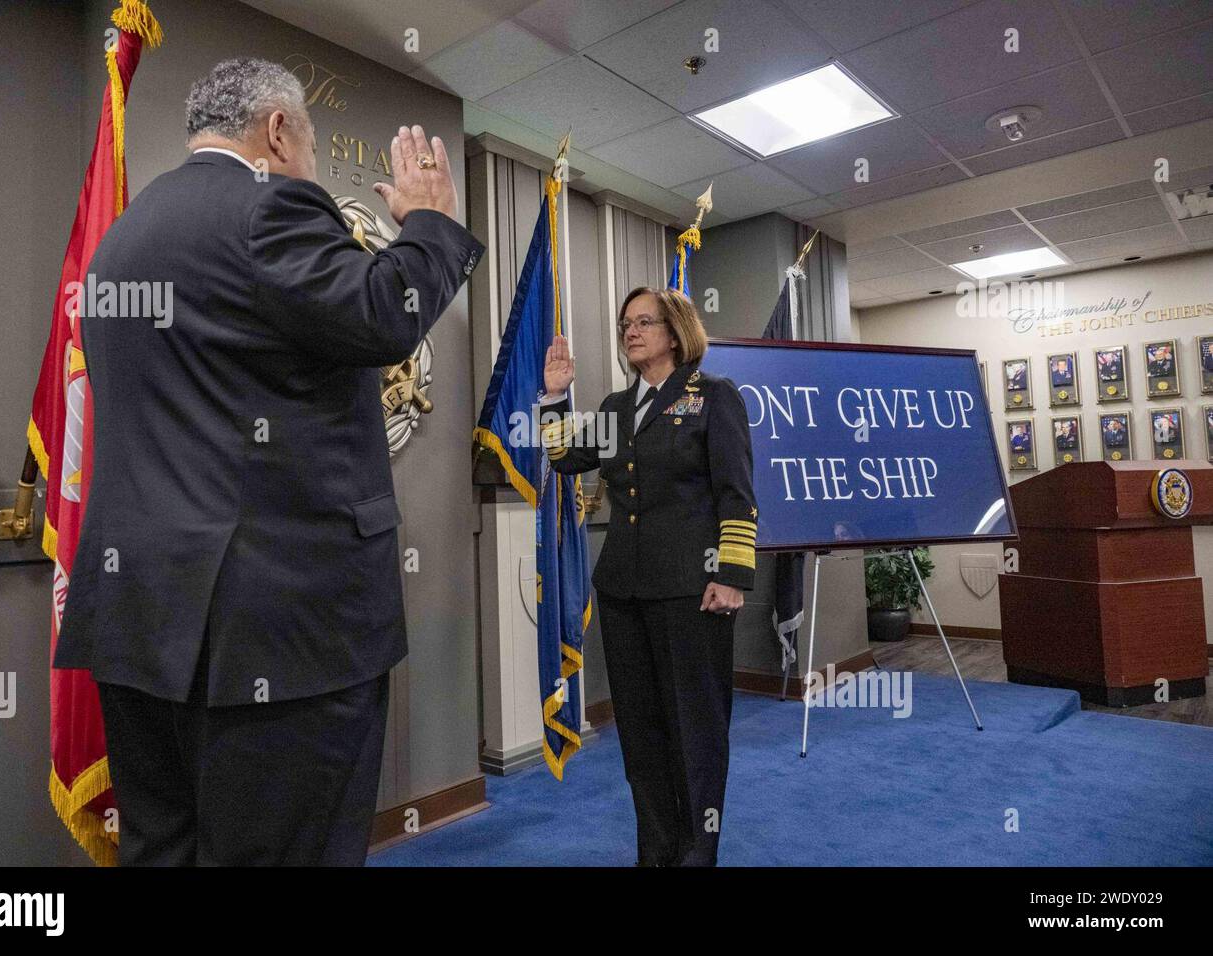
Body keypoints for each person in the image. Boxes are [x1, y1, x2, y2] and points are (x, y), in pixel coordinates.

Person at [53, 58, 484, 865]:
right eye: (313, 141)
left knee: (164, 850)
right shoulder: (267, 206)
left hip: (140, 620)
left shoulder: (120, 239)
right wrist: (427, 224)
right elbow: (385, 317)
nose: (313, 161)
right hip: (275, 635)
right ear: (278, 129)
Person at [538, 287, 757, 866]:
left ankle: (697, 851)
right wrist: (555, 397)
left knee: (696, 727)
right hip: (624, 591)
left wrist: (732, 573)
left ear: (676, 330)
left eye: (644, 322)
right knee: (640, 730)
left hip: (694, 588)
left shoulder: (713, 397)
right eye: (624, 324)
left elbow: (737, 494)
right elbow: (566, 459)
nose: (630, 332)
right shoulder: (613, 408)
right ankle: (656, 849)